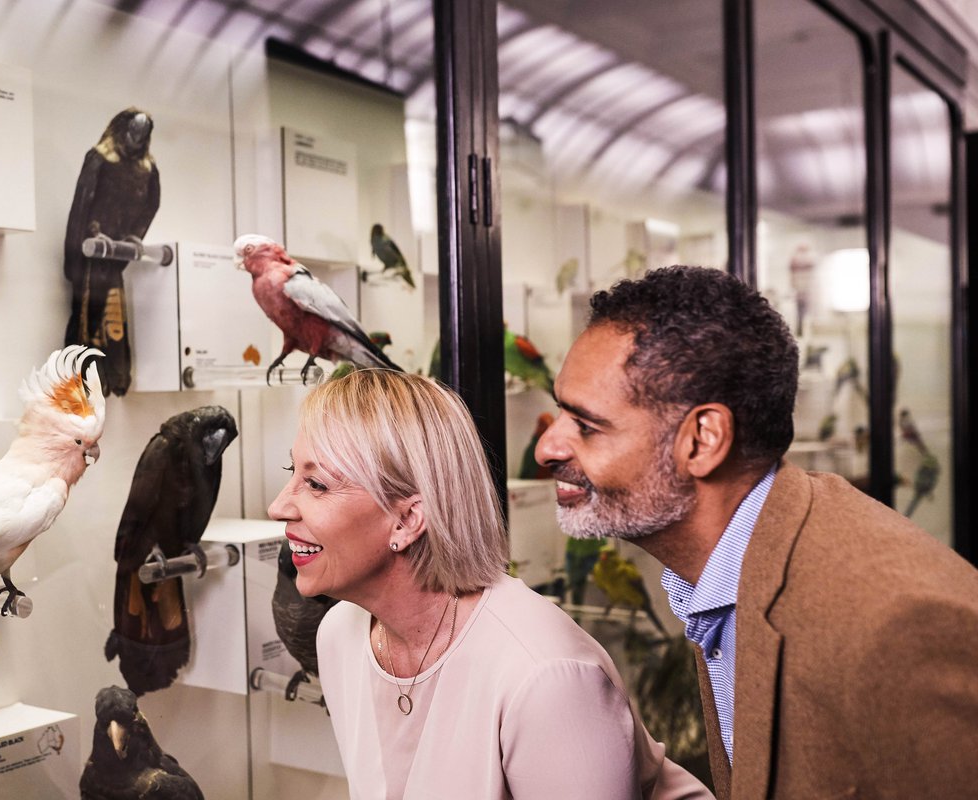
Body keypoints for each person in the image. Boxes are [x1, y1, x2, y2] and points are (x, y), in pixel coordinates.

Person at [535, 265, 978, 799]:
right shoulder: (727, 569)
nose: (547, 449)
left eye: (586, 425)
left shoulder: (894, 622)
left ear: (702, 441)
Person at [268, 369, 710, 800]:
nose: (278, 506)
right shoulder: (340, 634)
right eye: (293, 471)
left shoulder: (545, 678)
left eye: (316, 484)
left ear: (406, 519)